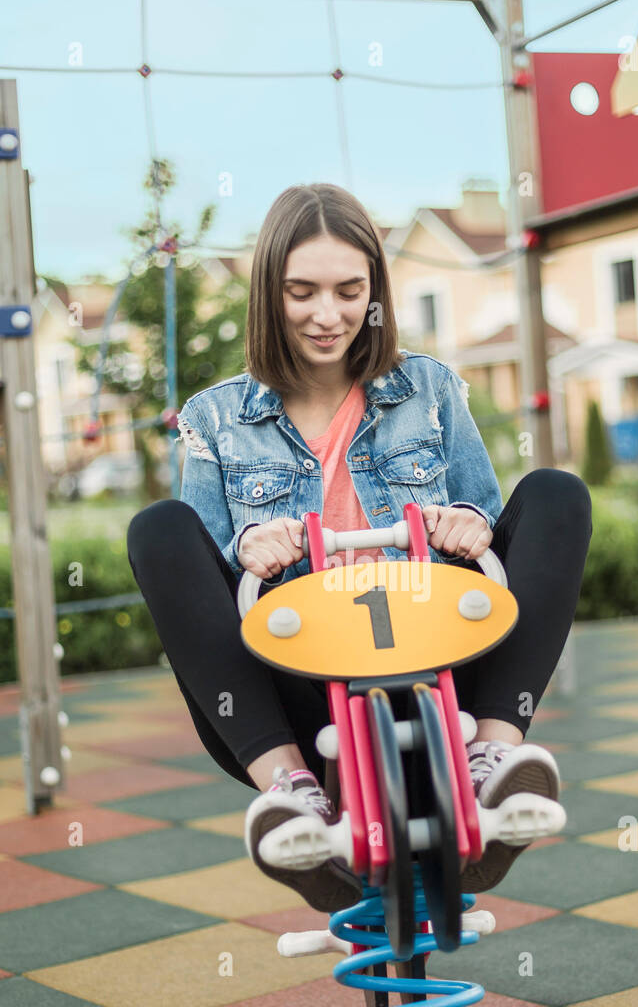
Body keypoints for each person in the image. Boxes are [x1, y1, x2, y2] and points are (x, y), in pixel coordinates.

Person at [127, 183, 592, 913]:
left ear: (375, 291)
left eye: (350, 291)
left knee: (559, 493)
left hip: (437, 667)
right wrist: (251, 545)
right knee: (156, 528)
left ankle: (487, 762)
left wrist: (465, 523)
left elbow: (492, 524)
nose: (328, 315)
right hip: (300, 692)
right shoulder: (214, 419)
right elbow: (207, 564)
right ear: (268, 295)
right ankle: (294, 796)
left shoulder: (429, 389)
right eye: (301, 292)